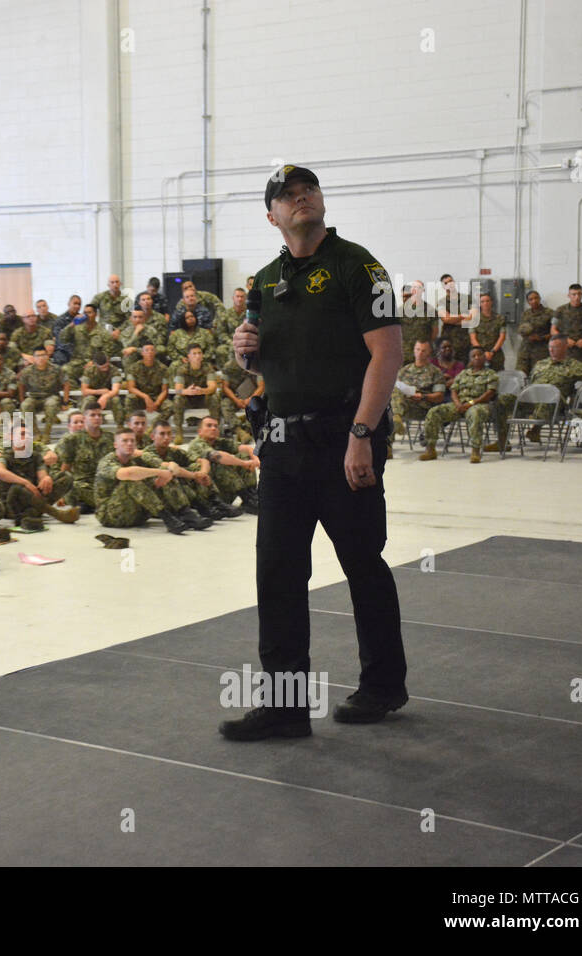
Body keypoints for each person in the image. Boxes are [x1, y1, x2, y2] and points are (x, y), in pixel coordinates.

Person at [223, 164, 407, 741]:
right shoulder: (263, 281)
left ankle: (383, 684)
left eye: (308, 191)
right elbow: (261, 365)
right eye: (287, 196)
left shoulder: (361, 267)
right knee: (277, 573)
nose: (300, 199)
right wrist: (244, 354)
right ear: (272, 215)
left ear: (321, 201)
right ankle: (285, 706)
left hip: (344, 440)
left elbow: (388, 356)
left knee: (361, 563)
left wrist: (361, 436)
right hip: (282, 445)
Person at [419, 347, 498, 463]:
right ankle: (430, 449)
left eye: (479, 355)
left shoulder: (491, 374)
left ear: (484, 357)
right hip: (460, 404)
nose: (476, 357)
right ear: (470, 359)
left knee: (474, 413)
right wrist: (458, 404)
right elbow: (454, 390)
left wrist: (470, 403)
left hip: (479, 404)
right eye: (473, 356)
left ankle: (475, 451)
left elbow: (490, 393)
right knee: (434, 411)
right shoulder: (463, 374)